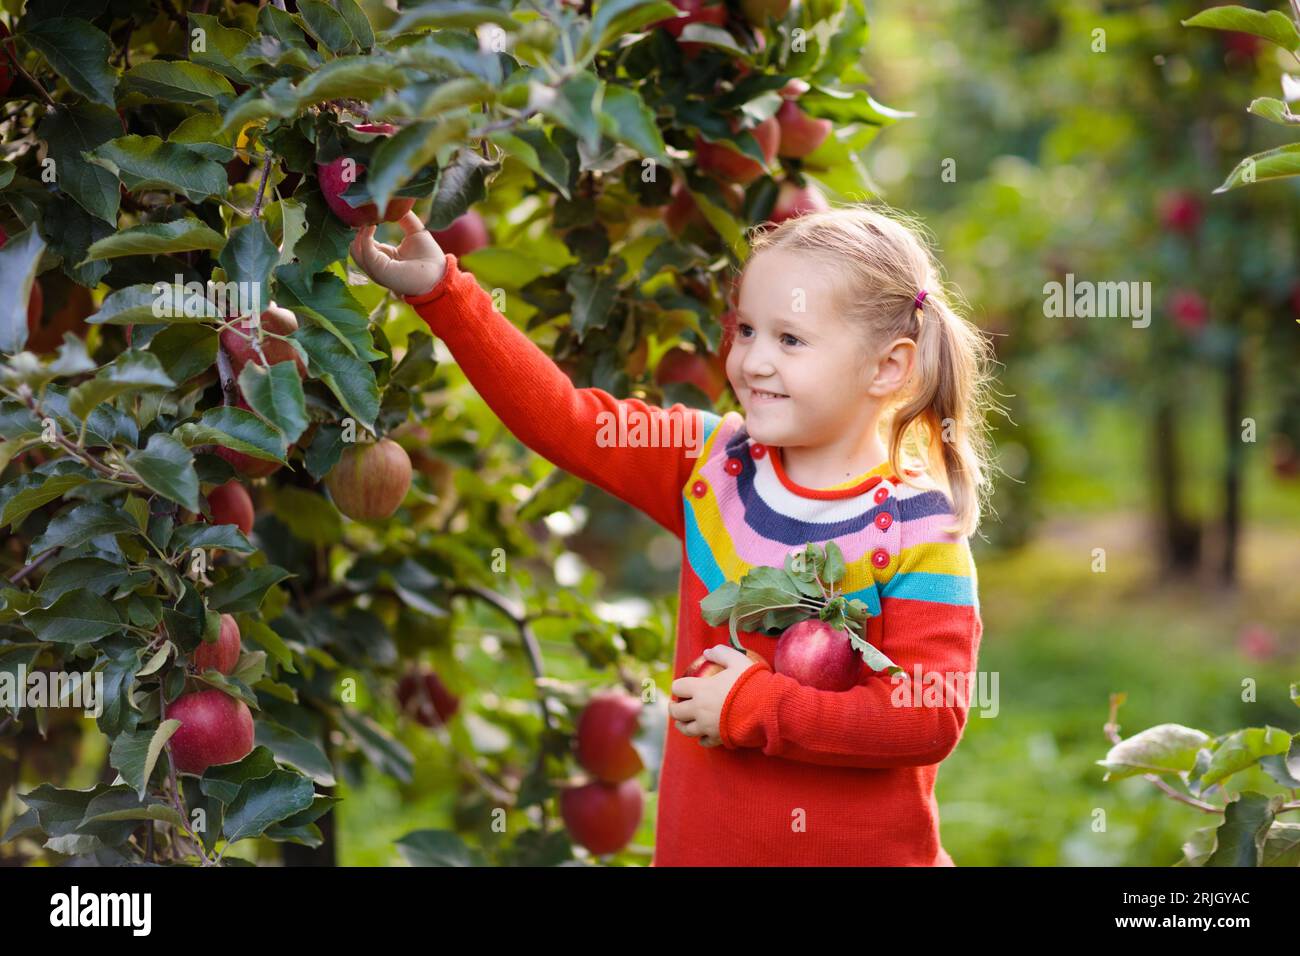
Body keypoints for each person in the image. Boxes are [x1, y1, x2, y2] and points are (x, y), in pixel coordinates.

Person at [351, 202, 996, 866]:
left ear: (887, 368)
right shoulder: (715, 465)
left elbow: (926, 716)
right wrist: (445, 292)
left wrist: (754, 706)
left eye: (790, 339)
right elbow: (570, 420)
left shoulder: (919, 525)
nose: (752, 362)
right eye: (746, 329)